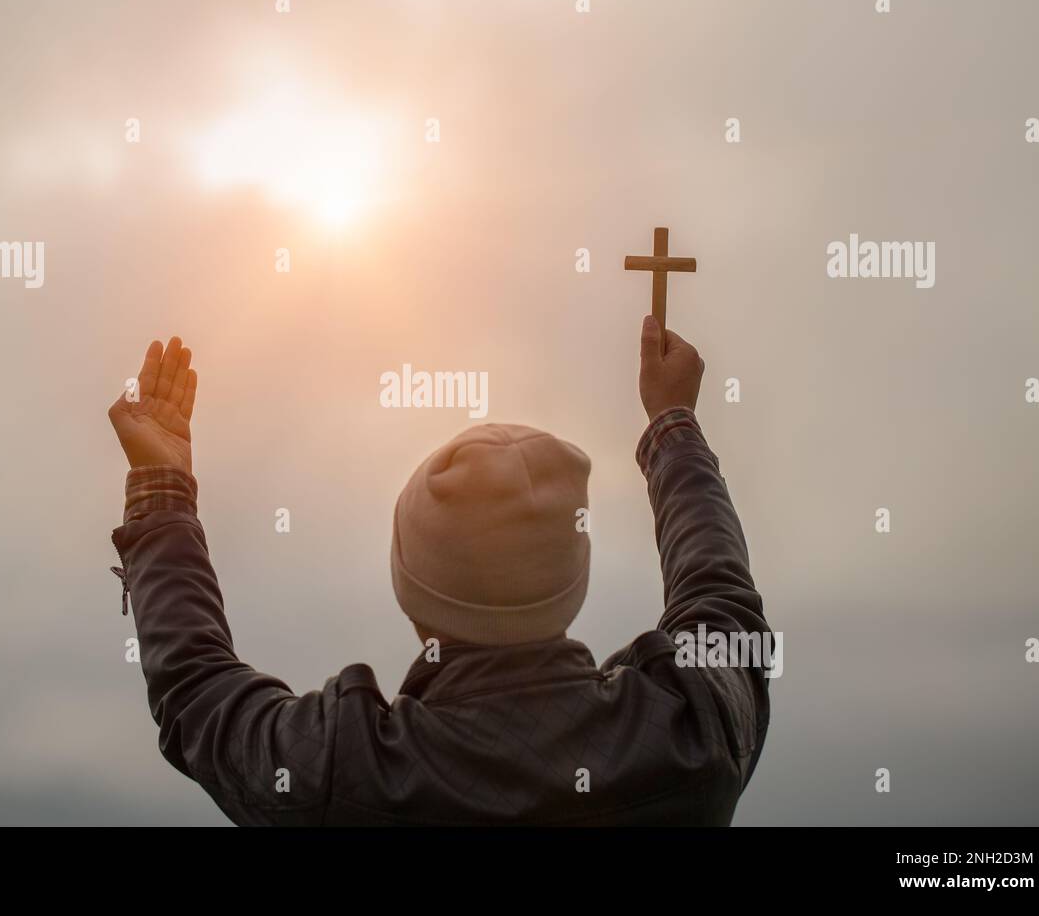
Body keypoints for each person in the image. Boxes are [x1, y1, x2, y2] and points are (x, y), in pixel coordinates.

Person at [107, 316, 770, 824]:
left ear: (410, 588)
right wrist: (673, 424)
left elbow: (195, 694)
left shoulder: (346, 772)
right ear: (573, 578)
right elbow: (720, 595)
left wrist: (162, 487)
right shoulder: (692, 735)